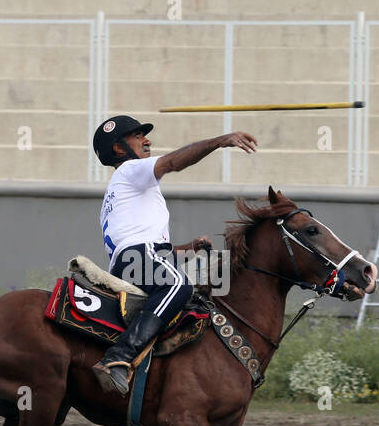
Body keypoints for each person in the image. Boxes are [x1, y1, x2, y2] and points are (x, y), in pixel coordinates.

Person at [89, 115, 257, 396]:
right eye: (138, 136)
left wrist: (186, 249)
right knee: (178, 286)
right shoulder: (131, 170)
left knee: (218, 281)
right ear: (119, 148)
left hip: (139, 258)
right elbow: (173, 162)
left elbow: (147, 243)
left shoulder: (125, 189)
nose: (147, 140)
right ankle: (117, 357)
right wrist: (220, 141)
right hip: (136, 259)